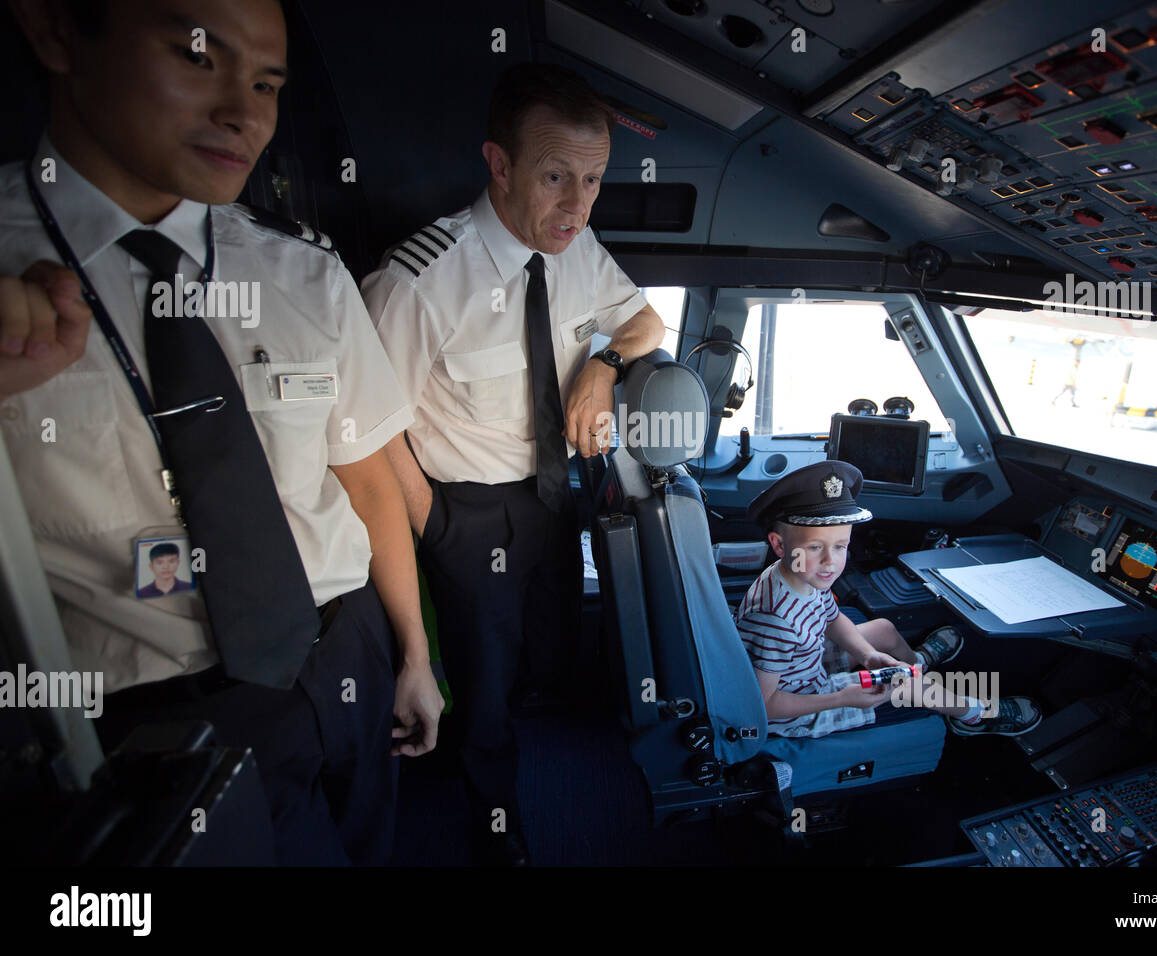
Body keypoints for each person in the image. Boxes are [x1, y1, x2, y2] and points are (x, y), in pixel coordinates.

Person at [2, 0, 442, 864]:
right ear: (56, 30)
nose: (244, 111)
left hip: (342, 652)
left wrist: (413, 653)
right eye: (198, 56)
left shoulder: (305, 273)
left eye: (268, 82)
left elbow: (366, 484)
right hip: (154, 716)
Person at [364, 63, 665, 865]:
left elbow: (647, 321)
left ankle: (554, 756)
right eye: (557, 176)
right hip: (465, 509)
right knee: (486, 695)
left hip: (549, 496)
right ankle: (497, 829)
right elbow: (365, 429)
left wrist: (602, 364)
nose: (578, 205)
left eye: (594, 180)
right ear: (499, 165)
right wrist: (435, 523)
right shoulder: (418, 280)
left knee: (548, 652)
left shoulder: (575, 245)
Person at [738, 461, 1042, 738]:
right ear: (779, 544)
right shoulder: (775, 621)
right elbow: (765, 706)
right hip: (797, 705)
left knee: (883, 629)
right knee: (907, 685)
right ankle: (973, 716)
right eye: (816, 547)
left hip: (804, 661)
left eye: (841, 546)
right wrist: (842, 698)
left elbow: (830, 618)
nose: (831, 562)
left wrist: (868, 655)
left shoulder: (804, 573)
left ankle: (917, 663)